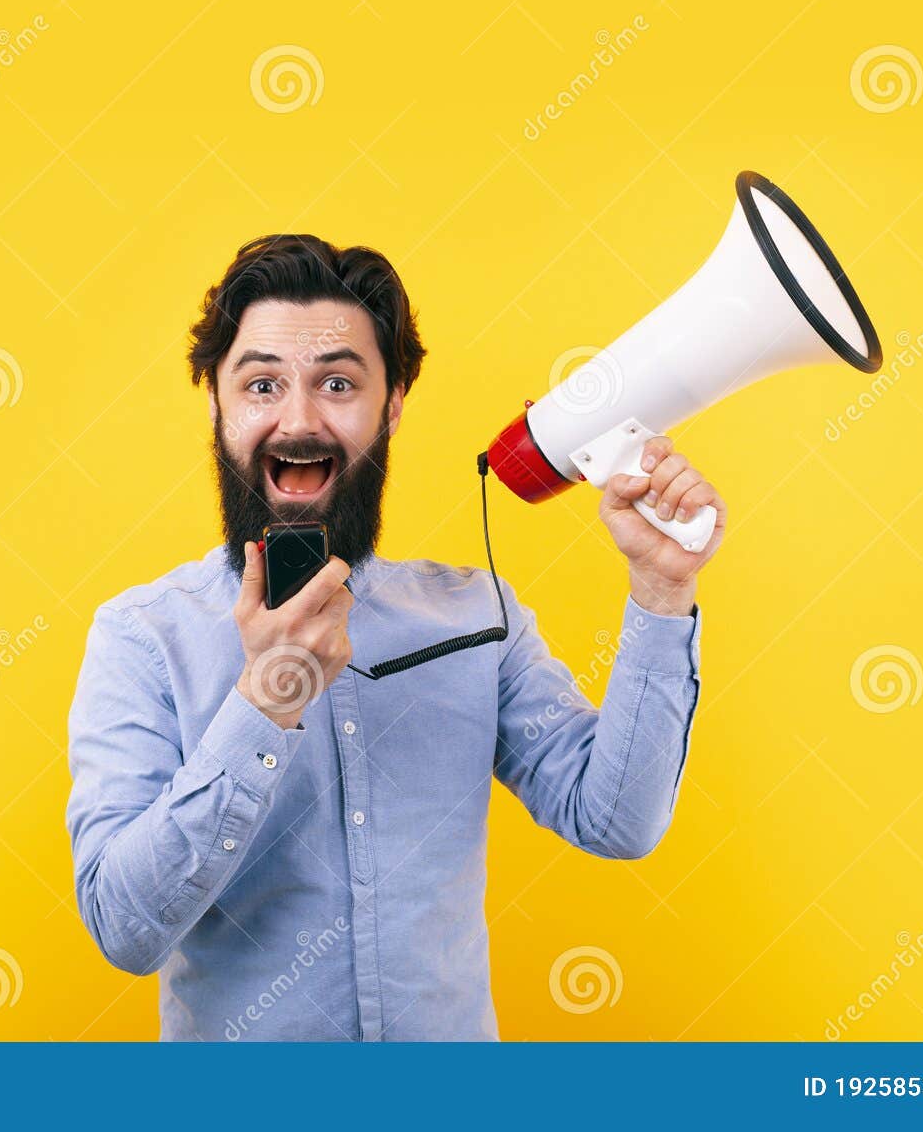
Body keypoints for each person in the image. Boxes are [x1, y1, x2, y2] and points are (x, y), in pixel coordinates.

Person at [64, 233, 726, 1040]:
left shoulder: (479, 616)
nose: (299, 420)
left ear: (394, 402)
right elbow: (124, 929)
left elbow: (616, 820)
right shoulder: (141, 637)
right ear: (215, 402)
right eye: (262, 383)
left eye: (338, 382)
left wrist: (662, 589)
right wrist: (267, 700)